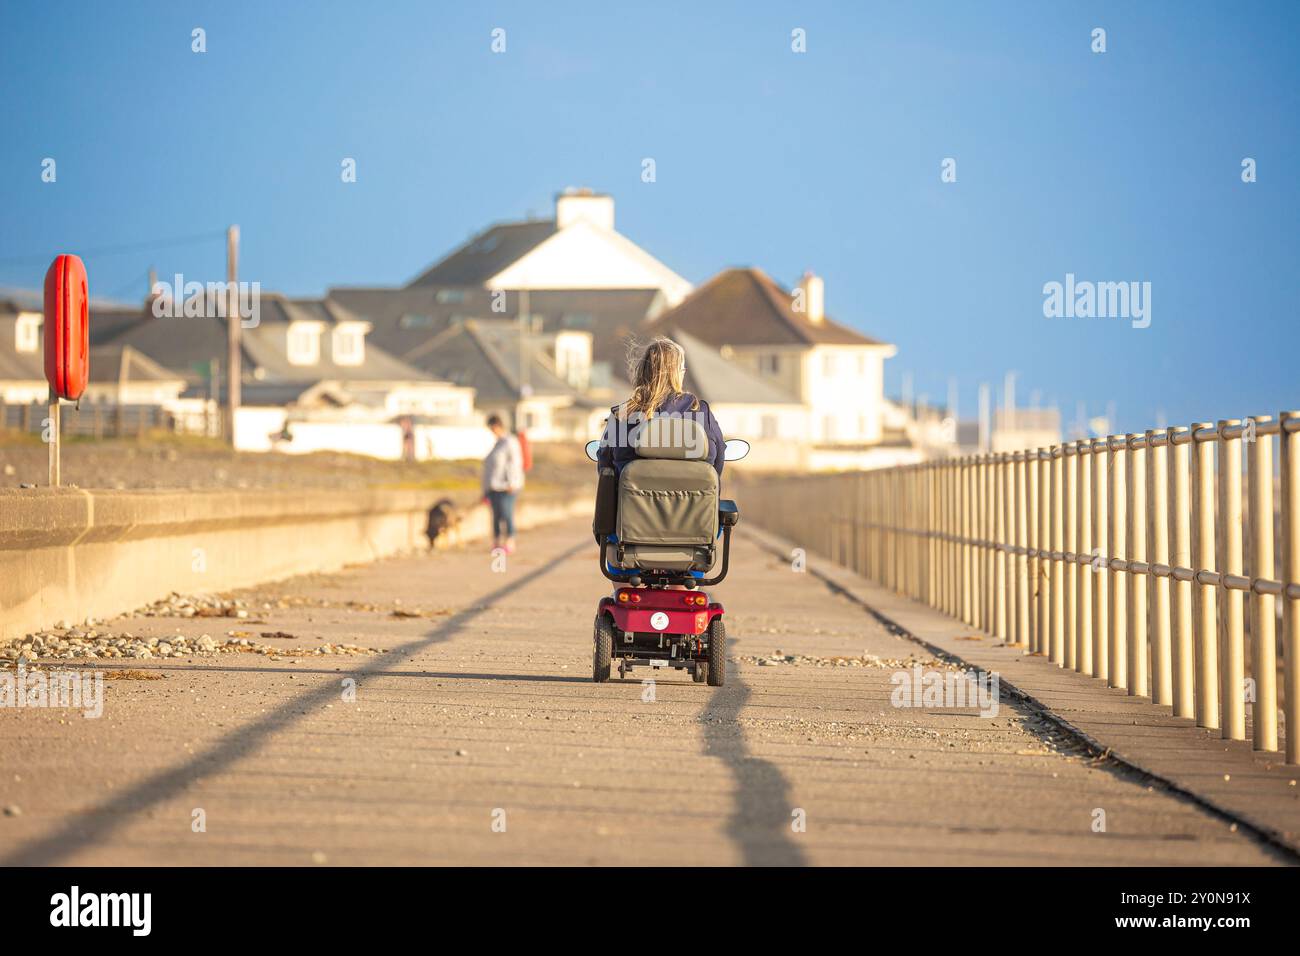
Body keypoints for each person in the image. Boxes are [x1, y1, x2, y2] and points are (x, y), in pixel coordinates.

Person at [597, 337, 724, 478]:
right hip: (696, 500)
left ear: (643, 372)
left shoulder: (621, 415)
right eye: (682, 369)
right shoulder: (700, 412)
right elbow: (717, 464)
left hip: (630, 499)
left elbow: (605, 469)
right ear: (678, 373)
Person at [482, 413, 524, 552]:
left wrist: (512, 482)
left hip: (507, 487)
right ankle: (497, 541)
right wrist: (485, 489)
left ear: (497, 426)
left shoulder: (510, 442)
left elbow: (514, 464)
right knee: (496, 516)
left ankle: (510, 541)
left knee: (506, 514)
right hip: (494, 487)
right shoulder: (497, 444)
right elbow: (489, 469)